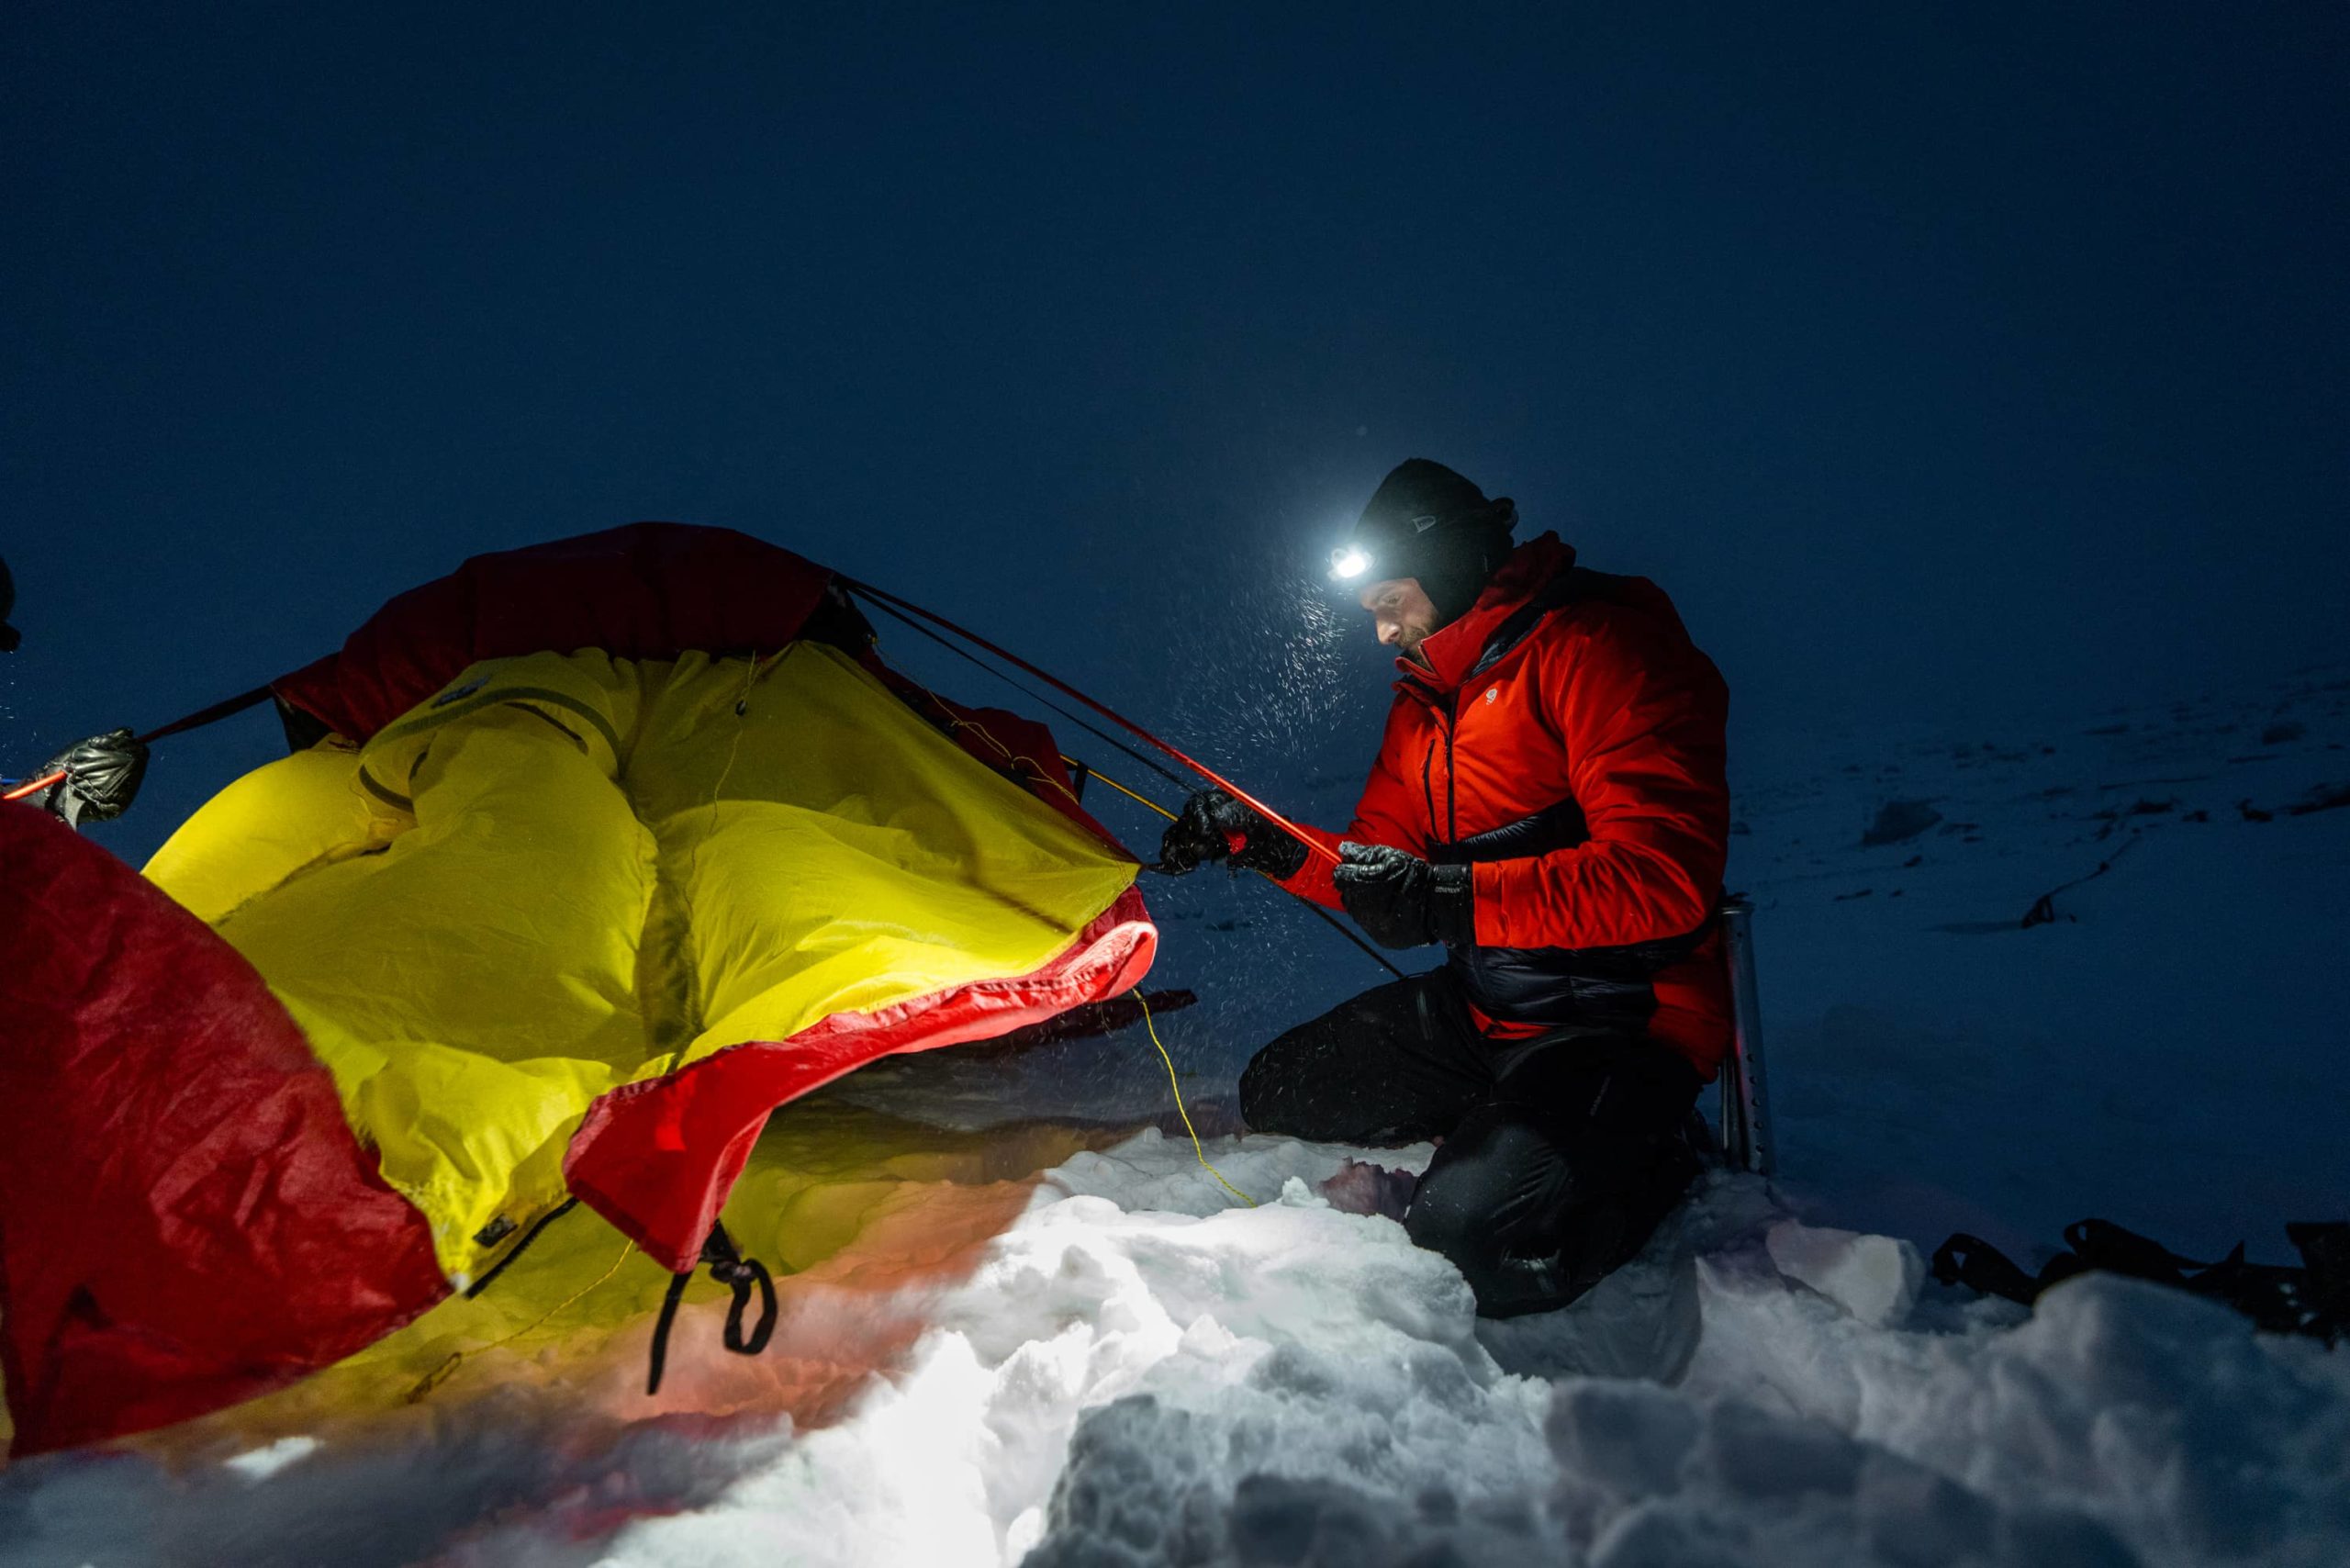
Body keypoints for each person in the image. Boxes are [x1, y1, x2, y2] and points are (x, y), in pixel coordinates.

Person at [1158, 458, 1731, 1315]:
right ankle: (1503, 1108)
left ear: (1452, 565)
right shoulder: (1425, 704)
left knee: (1469, 1246)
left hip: (1621, 1024)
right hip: (1484, 1010)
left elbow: (1662, 879)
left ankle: (1655, 1147)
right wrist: (1265, 843)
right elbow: (1380, 868)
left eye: (1393, 603)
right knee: (1277, 1089)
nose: (1383, 633)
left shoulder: (1600, 648)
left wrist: (1448, 895)